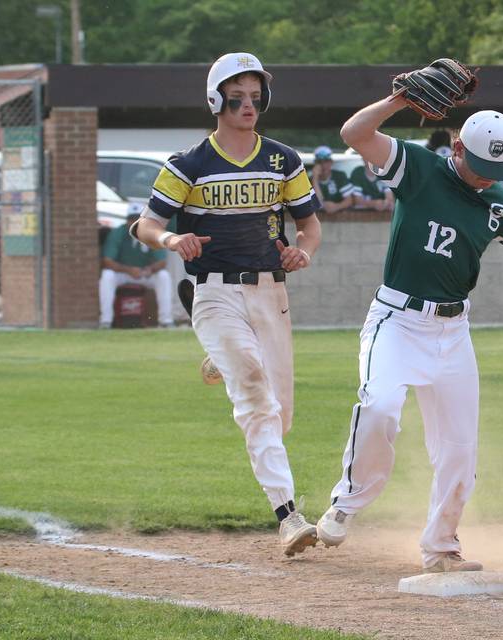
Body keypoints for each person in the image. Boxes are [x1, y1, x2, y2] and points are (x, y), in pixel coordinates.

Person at [315, 98, 503, 574]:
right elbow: (353, 134)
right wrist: (399, 101)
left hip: (453, 332)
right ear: (456, 148)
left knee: (459, 448)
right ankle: (346, 502)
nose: (487, 175)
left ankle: (441, 546)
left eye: (497, 166)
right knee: (380, 406)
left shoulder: (501, 205)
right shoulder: (419, 169)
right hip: (397, 320)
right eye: (479, 164)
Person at [130, 52, 322, 557]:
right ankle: (288, 514)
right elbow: (145, 225)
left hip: (269, 291)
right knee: (257, 400)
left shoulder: (283, 160)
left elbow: (310, 224)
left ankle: (223, 358)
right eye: (237, 97)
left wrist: (305, 249)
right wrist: (172, 242)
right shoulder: (188, 164)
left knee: (281, 415)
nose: (247, 105)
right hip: (212, 290)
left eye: (255, 97)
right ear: (216, 100)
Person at [99, 202, 173, 329]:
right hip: (123, 273)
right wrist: (128, 270)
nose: (133, 222)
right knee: (107, 275)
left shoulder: (151, 232)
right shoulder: (119, 232)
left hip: (144, 273)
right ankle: (106, 321)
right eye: (131, 219)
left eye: (137, 219)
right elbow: (107, 261)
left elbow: (162, 261)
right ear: (127, 220)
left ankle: (165, 321)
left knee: (163, 276)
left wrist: (150, 269)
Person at [310, 145, 355, 213]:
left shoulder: (340, 176)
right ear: (315, 164)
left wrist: (336, 206)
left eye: (326, 161)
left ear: (331, 162)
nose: (323, 165)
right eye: (319, 162)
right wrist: (315, 179)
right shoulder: (309, 180)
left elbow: (350, 200)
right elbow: (317, 202)